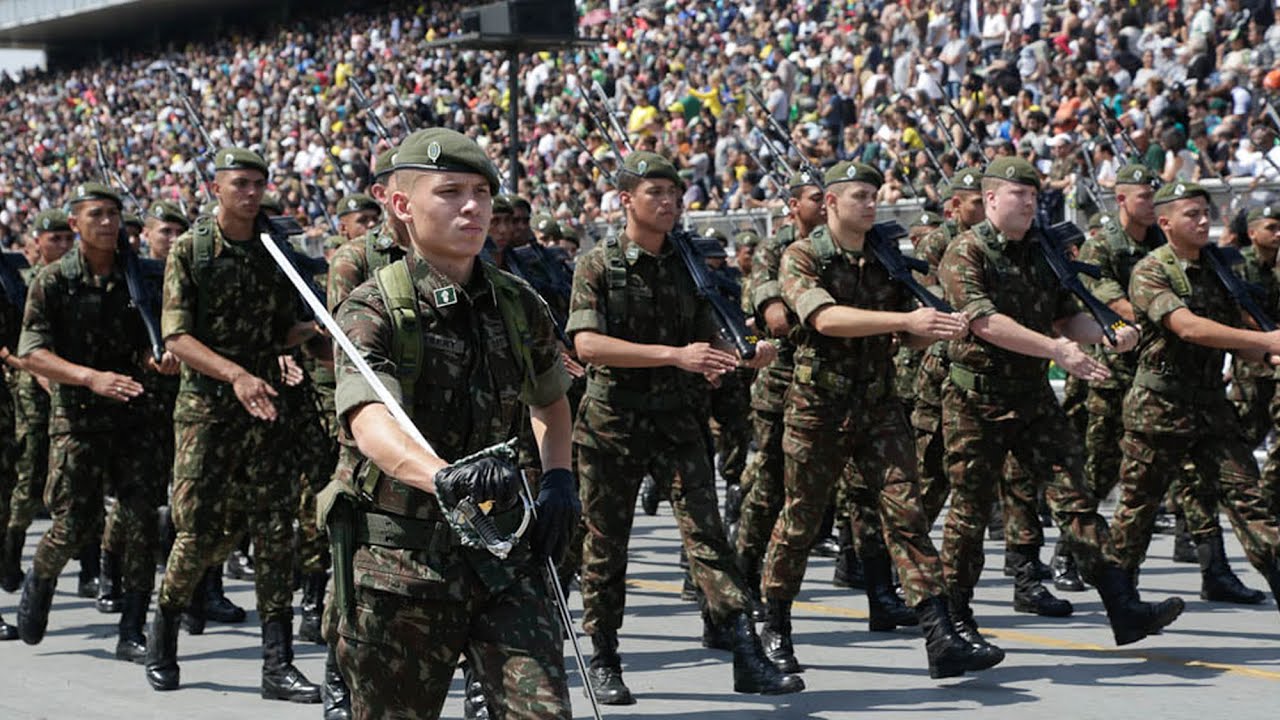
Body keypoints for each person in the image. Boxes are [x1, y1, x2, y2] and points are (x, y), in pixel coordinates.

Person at [329, 127, 579, 719]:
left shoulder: (519, 303)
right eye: (449, 191)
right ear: (399, 205)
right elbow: (370, 419)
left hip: (504, 556)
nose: (473, 207)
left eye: (482, 192)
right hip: (402, 565)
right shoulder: (372, 307)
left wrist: (559, 477)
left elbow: (549, 399)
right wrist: (443, 477)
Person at [568, 151, 801, 705]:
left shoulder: (690, 263)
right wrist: (675, 355)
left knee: (708, 540)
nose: (670, 202)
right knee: (604, 549)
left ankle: (746, 652)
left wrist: (743, 355)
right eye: (656, 193)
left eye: (675, 193)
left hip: (677, 421)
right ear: (627, 200)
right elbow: (588, 345)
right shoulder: (597, 265)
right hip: (612, 425)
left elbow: (711, 340)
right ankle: (603, 656)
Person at [760, 160, 1002, 679]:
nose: (871, 204)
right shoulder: (803, 256)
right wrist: (904, 321)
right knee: (800, 519)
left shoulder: (886, 256)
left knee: (907, 516)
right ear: (830, 204)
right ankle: (775, 627)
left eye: (875, 195)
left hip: (878, 405)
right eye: (860, 196)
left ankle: (940, 636)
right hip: (817, 408)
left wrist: (935, 328)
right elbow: (824, 319)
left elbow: (908, 334)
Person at [937, 156, 1185, 647]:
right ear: (990, 199)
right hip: (976, 398)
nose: (1029, 202)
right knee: (969, 511)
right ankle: (957, 619)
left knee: (1073, 497)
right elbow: (984, 322)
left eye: (1033, 194)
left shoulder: (1042, 251)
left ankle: (1122, 604)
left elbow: (1067, 316)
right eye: (1017, 194)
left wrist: (1108, 333)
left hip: (1030, 397)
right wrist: (1057, 350)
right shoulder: (965, 252)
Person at [144, 147, 321, 702]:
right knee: (197, 533)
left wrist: (309, 329)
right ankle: (164, 633)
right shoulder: (192, 250)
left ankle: (278, 663)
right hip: (208, 411)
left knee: (274, 532)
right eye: (239, 183)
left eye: (258, 184)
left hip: (264, 407)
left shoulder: (276, 249)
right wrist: (237, 375)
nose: (251, 193)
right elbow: (177, 337)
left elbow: (280, 329)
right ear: (216, 189)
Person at [14, 182, 174, 663]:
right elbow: (32, 353)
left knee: (141, 522)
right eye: (97, 214)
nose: (108, 223)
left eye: (114, 214)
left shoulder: (143, 277)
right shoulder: (54, 280)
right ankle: (39, 583)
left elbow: (162, 338)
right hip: (78, 417)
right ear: (75, 224)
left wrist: (157, 358)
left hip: (134, 416)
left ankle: (132, 628)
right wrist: (90, 378)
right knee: (74, 521)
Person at [1110, 183, 1280, 610]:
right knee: (1138, 508)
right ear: (1165, 222)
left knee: (1248, 497)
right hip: (1159, 406)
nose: (1204, 220)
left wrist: (1264, 351)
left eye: (1206, 212)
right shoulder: (1152, 271)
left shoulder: (1222, 271)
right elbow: (1187, 327)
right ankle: (1122, 601)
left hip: (1209, 404)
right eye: (1192, 214)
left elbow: (1238, 342)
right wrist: (1267, 339)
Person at [736, 172, 830, 600]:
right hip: (782, 380)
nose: (824, 205)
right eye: (815, 199)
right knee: (772, 482)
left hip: (829, 380)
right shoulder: (775, 249)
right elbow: (771, 318)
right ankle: (745, 567)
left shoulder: (837, 246)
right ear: (794, 206)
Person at [1, 209, 73, 595]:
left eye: (67, 238)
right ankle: (11, 551)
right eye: (54, 239)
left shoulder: (79, 278)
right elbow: (10, 342)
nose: (61, 246)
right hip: (30, 387)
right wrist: (37, 369)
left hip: (71, 386)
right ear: (37, 242)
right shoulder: (20, 279)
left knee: (76, 475)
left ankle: (93, 565)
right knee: (27, 474)